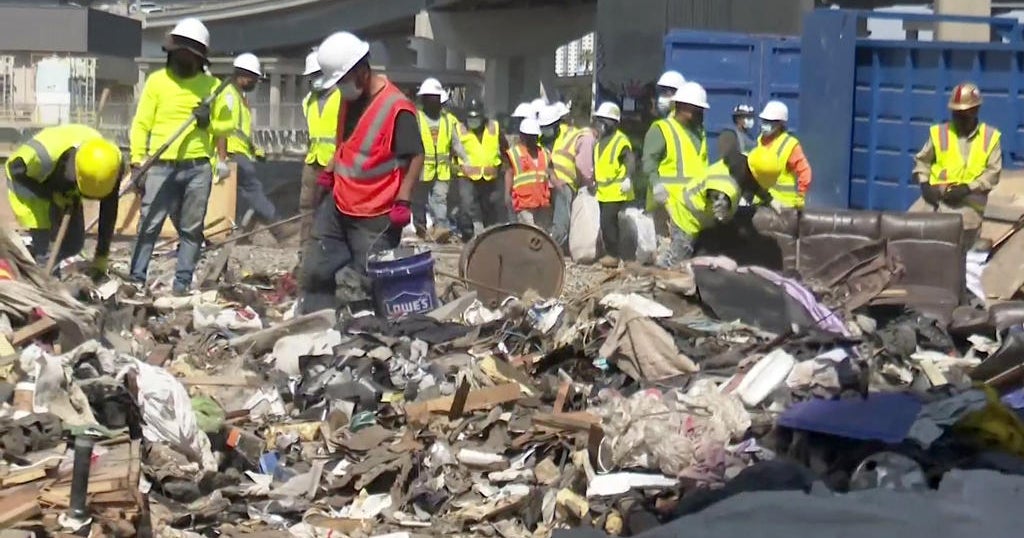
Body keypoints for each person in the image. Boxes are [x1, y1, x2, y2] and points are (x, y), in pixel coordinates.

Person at [298, 31, 424, 314]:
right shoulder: (348, 99)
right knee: (318, 266)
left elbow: (416, 155)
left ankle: (360, 329)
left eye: (342, 80)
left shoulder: (396, 107)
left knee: (367, 278)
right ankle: (314, 322)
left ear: (362, 71)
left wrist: (404, 199)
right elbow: (346, 142)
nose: (340, 87)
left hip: (375, 211)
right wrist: (329, 172)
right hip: (340, 199)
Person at [128, 17, 233, 295]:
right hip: (160, 166)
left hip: (197, 167)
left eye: (190, 54)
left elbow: (224, 128)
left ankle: (182, 284)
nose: (184, 58)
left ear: (199, 58)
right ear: (172, 52)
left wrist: (205, 122)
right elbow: (141, 124)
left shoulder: (212, 88)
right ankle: (136, 280)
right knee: (148, 225)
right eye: (181, 52)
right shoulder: (156, 82)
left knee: (190, 230)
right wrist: (137, 160)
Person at [5, 125, 122, 276]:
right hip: (31, 186)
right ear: (77, 171)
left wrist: (102, 254)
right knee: (47, 252)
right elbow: (15, 170)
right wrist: (49, 194)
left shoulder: (109, 164)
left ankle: (34, 260)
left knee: (74, 244)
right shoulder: (41, 156)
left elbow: (109, 208)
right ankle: (45, 281)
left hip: (64, 187)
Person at [910, 82, 1001, 246]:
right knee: (906, 230)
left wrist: (967, 189)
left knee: (955, 252)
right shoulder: (940, 132)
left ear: (975, 111)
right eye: (955, 113)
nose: (958, 118)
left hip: (967, 207)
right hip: (935, 202)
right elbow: (922, 161)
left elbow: (993, 173)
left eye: (963, 113)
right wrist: (924, 184)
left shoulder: (990, 137)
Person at [641, 82, 710, 268]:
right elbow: (649, 161)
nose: (701, 114)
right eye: (698, 109)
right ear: (685, 108)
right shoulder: (662, 129)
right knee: (674, 258)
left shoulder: (699, 133)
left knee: (686, 260)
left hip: (692, 207)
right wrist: (656, 184)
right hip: (669, 204)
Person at [217, 53, 286, 238]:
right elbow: (222, 128)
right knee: (253, 188)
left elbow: (241, 131)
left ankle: (242, 231)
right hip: (232, 153)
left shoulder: (240, 96)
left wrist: (256, 150)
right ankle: (277, 227)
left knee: (243, 194)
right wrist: (221, 159)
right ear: (243, 76)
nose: (255, 82)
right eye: (254, 78)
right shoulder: (229, 95)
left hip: (240, 151)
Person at [412, 77, 468, 241]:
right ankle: (421, 229)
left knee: (440, 200)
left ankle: (440, 228)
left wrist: (466, 161)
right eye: (430, 97)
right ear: (424, 99)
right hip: (421, 170)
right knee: (419, 202)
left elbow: (456, 143)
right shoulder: (416, 118)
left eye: (436, 97)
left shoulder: (448, 120)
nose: (434, 101)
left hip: (442, 170)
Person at [538, 104, 595, 249]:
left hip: (564, 183)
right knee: (544, 219)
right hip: (543, 183)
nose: (546, 130)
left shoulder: (572, 135)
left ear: (557, 124)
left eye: (548, 127)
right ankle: (545, 244)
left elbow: (583, 164)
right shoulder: (541, 138)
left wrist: (586, 183)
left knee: (561, 220)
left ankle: (553, 247)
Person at [299, 48, 340, 246]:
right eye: (311, 76)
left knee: (333, 209)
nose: (313, 79)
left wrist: (333, 166)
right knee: (307, 208)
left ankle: (329, 248)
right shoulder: (308, 101)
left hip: (336, 164)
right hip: (313, 161)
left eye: (316, 74)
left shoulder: (342, 98)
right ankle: (305, 251)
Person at [456, 98, 509, 240]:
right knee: (467, 205)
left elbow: (505, 149)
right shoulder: (459, 129)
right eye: (471, 118)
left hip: (490, 176)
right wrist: (457, 167)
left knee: (489, 206)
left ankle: (488, 235)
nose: (473, 120)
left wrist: (502, 167)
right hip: (467, 175)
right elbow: (452, 152)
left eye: (476, 117)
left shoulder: (494, 127)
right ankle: (467, 233)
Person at [591, 102, 636, 268]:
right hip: (603, 190)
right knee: (607, 223)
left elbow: (629, 159)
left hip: (617, 190)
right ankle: (614, 252)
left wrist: (628, 177)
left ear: (615, 122)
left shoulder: (620, 140)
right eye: (600, 119)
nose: (602, 123)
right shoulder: (600, 141)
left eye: (606, 120)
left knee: (608, 222)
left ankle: (613, 255)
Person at [746, 100, 812, 211]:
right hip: (760, 203)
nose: (766, 125)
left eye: (770, 121)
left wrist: (801, 196)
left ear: (780, 124)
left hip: (783, 206)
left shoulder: (789, 144)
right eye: (764, 121)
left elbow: (805, 172)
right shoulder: (759, 141)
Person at [505, 117, 553, 226]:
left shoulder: (545, 153)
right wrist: (507, 194)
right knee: (529, 234)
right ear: (523, 136)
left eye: (534, 136)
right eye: (529, 137)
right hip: (524, 204)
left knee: (541, 235)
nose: (532, 139)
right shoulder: (515, 153)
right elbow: (509, 173)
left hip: (542, 203)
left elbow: (550, 174)